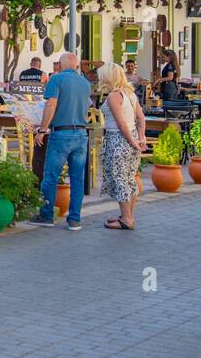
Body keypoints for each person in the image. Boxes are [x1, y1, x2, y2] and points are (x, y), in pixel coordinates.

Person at [30, 52, 92, 231]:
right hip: (81, 134)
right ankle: (74, 219)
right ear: (76, 65)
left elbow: (51, 105)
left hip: (61, 134)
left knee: (50, 176)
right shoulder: (85, 83)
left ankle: (47, 215)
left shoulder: (56, 80)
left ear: (60, 65)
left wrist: (42, 130)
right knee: (77, 179)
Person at [97, 63, 147, 230]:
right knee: (130, 178)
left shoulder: (113, 95)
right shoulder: (129, 93)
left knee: (120, 179)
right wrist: (140, 138)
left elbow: (120, 123)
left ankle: (126, 219)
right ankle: (128, 215)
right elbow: (140, 118)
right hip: (131, 137)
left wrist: (132, 141)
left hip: (118, 138)